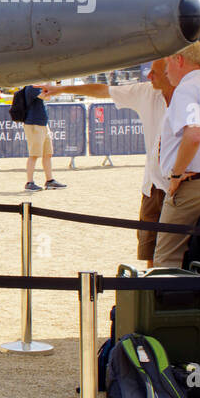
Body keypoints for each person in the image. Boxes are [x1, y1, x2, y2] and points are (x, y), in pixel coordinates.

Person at [41, 59, 173, 267]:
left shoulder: (190, 96)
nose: (148, 76)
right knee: (150, 252)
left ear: (170, 72)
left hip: (179, 186)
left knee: (178, 253)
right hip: (152, 187)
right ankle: (153, 296)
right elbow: (104, 90)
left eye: (153, 72)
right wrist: (62, 88)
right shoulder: (146, 92)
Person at [154, 42, 200, 269]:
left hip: (192, 186)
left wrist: (176, 175)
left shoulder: (186, 90)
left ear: (179, 60)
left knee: (167, 261)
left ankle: (171, 305)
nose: (166, 70)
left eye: (167, 62)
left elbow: (194, 134)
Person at [18, 84, 66, 191]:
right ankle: (29, 182)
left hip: (42, 123)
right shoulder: (31, 87)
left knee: (47, 153)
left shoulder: (37, 86)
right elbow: (45, 96)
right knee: (34, 154)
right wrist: (54, 89)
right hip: (34, 124)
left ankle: (50, 180)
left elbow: (47, 95)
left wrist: (53, 89)